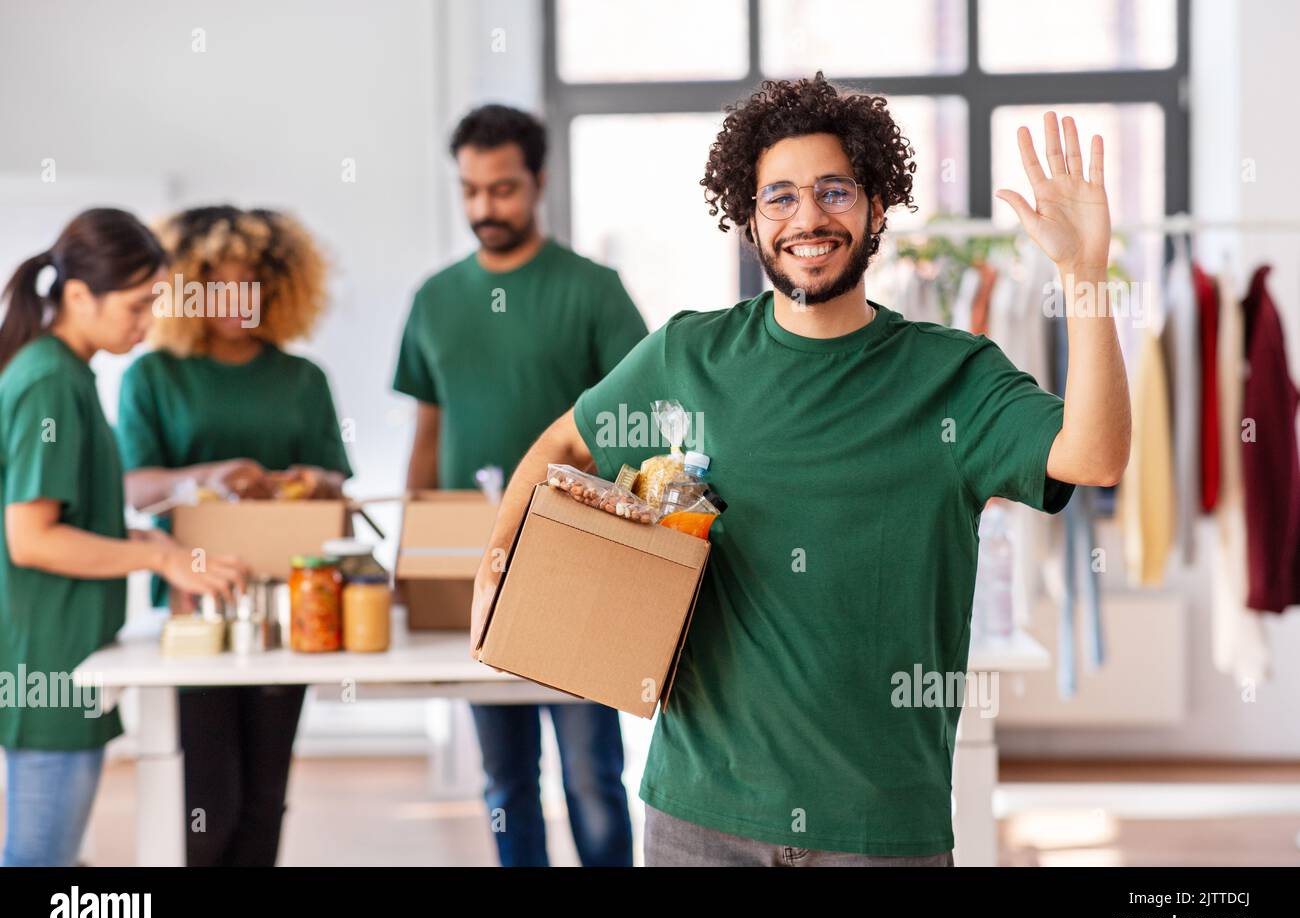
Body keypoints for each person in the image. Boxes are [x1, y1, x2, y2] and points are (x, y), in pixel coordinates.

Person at [469, 75, 1132, 866]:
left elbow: (1095, 454)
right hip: (698, 818)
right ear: (748, 218)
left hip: (879, 830)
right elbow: (562, 449)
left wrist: (1084, 275)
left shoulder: (954, 376)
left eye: (834, 191)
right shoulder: (689, 356)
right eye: (778, 197)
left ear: (877, 207)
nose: (807, 217)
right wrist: (498, 564)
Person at [394, 104, 647, 866]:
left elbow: (640, 425)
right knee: (505, 779)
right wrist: (410, 550)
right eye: (470, 191)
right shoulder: (434, 299)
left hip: (579, 562)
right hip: (478, 564)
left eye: (502, 189)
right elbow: (427, 432)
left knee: (591, 774)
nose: (484, 209)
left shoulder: (594, 290)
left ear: (538, 182)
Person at [0, 208, 245, 866]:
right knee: (39, 861)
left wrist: (157, 546)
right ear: (79, 296)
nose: (146, 324)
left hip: (64, 655)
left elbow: (79, 519)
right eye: (136, 307)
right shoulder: (50, 381)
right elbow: (32, 539)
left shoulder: (67, 373)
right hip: (46, 664)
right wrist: (160, 559)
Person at [115, 206, 351, 866]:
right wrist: (209, 476)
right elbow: (132, 490)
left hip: (289, 609)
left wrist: (313, 481)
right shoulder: (153, 377)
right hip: (196, 611)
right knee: (207, 803)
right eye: (219, 285)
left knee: (263, 801)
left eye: (252, 284)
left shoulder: (303, 380)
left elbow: (338, 489)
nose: (237, 301)